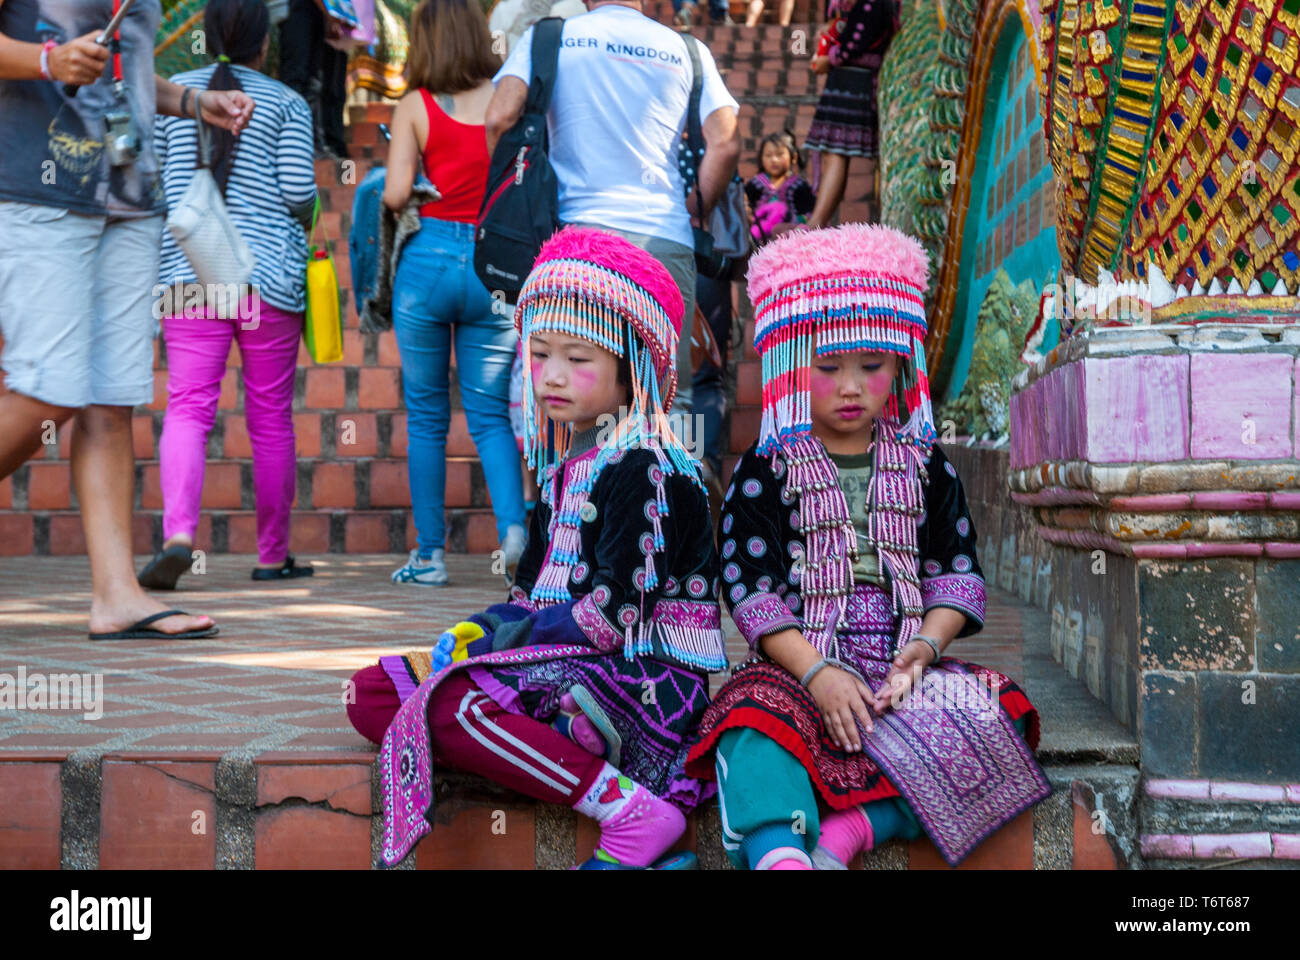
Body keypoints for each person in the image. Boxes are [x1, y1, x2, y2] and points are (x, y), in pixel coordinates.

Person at [346, 226, 728, 869]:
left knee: (441, 703)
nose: (552, 376)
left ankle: (627, 811)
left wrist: (498, 642)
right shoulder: (560, 470)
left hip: (638, 683)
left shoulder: (647, 467)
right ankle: (547, 744)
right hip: (557, 662)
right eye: (541, 353)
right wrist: (481, 628)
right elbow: (526, 595)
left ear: (634, 363)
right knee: (372, 693)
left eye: (578, 358)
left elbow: (612, 617)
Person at [684, 223, 1051, 869]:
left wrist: (922, 650)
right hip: (797, 666)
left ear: (900, 362)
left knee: (1003, 714)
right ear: (794, 360)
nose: (851, 386)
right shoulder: (766, 468)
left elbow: (956, 574)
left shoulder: (927, 464)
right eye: (828, 367)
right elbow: (750, 589)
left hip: (901, 669)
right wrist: (818, 676)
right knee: (749, 723)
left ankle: (852, 832)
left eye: (872, 366)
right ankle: (781, 856)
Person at [0, 0, 253, 640]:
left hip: (132, 196)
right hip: (38, 193)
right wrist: (47, 60)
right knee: (46, 393)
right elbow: (50, 56)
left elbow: (129, 73)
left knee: (112, 400)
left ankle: (117, 595)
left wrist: (196, 104)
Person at [485, 0, 741, 430]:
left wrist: (516, 195)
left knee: (573, 402)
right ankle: (672, 492)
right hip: (664, 239)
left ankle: (576, 496)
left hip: (576, 245)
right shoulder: (687, 50)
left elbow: (499, 117)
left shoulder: (550, 37)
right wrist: (693, 210)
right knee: (667, 399)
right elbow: (726, 143)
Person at [139, 0, 317, 591]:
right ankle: (272, 556)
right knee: (269, 417)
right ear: (264, 43)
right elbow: (297, 191)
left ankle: (179, 537)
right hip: (264, 276)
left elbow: (151, 177)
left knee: (187, 405)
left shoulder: (172, 94)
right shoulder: (286, 103)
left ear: (207, 34)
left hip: (188, 268)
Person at [382, 0, 528, 586]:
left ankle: (430, 557)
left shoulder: (416, 106)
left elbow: (394, 197)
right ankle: (515, 533)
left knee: (425, 418)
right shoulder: (505, 99)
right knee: (490, 415)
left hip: (427, 263)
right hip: (492, 265)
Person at [804, 0, 900, 226]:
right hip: (847, 79)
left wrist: (829, 59)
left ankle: (816, 223)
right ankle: (819, 220)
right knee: (833, 153)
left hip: (855, 81)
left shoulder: (871, 4)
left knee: (836, 152)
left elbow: (855, 44)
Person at [279, 0, 350, 158]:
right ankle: (295, 142)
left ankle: (314, 143)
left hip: (317, 13)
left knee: (314, 82)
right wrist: (330, 15)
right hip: (298, 12)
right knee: (297, 80)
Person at [745, 129, 814, 245]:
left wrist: (799, 222)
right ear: (761, 159)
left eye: (779, 154)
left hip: (792, 240)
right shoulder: (754, 184)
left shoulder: (801, 186)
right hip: (758, 240)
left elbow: (810, 212)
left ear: (794, 157)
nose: (774, 160)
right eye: (768, 155)